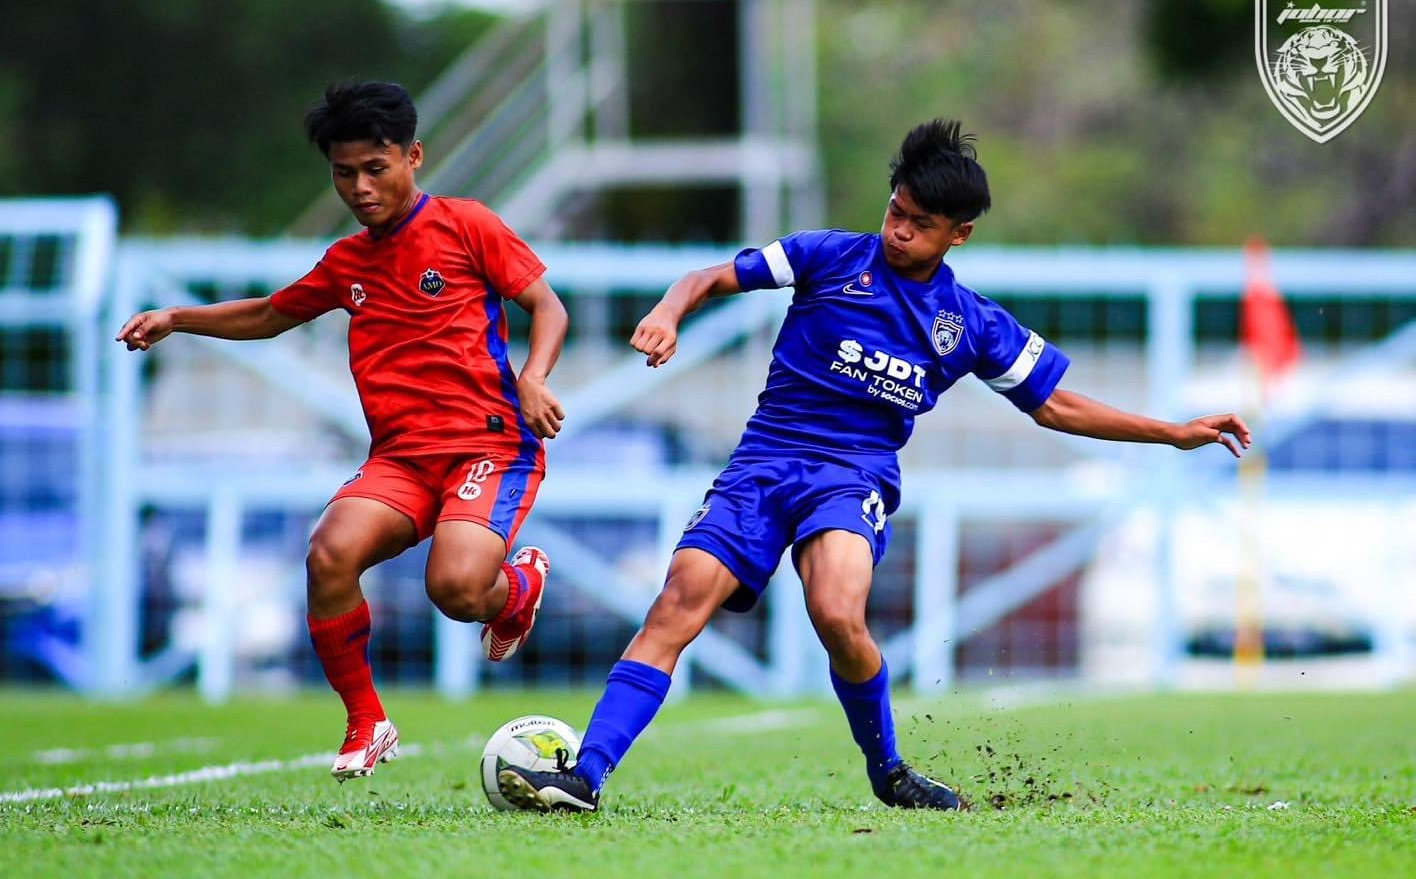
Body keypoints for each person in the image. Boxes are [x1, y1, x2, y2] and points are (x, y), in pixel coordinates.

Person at [497, 119, 1251, 812]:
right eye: (895, 211)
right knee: (677, 600)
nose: (897, 231)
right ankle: (585, 776)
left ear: (960, 235)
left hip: (851, 478)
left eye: (918, 226)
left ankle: (887, 769)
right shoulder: (828, 256)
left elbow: (1055, 405)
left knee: (836, 614)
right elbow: (709, 278)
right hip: (763, 461)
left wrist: (1173, 432)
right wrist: (668, 312)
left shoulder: (971, 323)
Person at [116, 81, 569, 781]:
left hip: (488, 445)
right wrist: (178, 318)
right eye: (343, 173)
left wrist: (534, 376)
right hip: (401, 460)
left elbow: (548, 305)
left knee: (454, 590)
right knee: (328, 553)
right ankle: (367, 721)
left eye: (375, 168)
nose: (359, 187)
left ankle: (516, 589)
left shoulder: (466, 224)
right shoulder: (346, 264)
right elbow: (270, 314)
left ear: (413, 156)